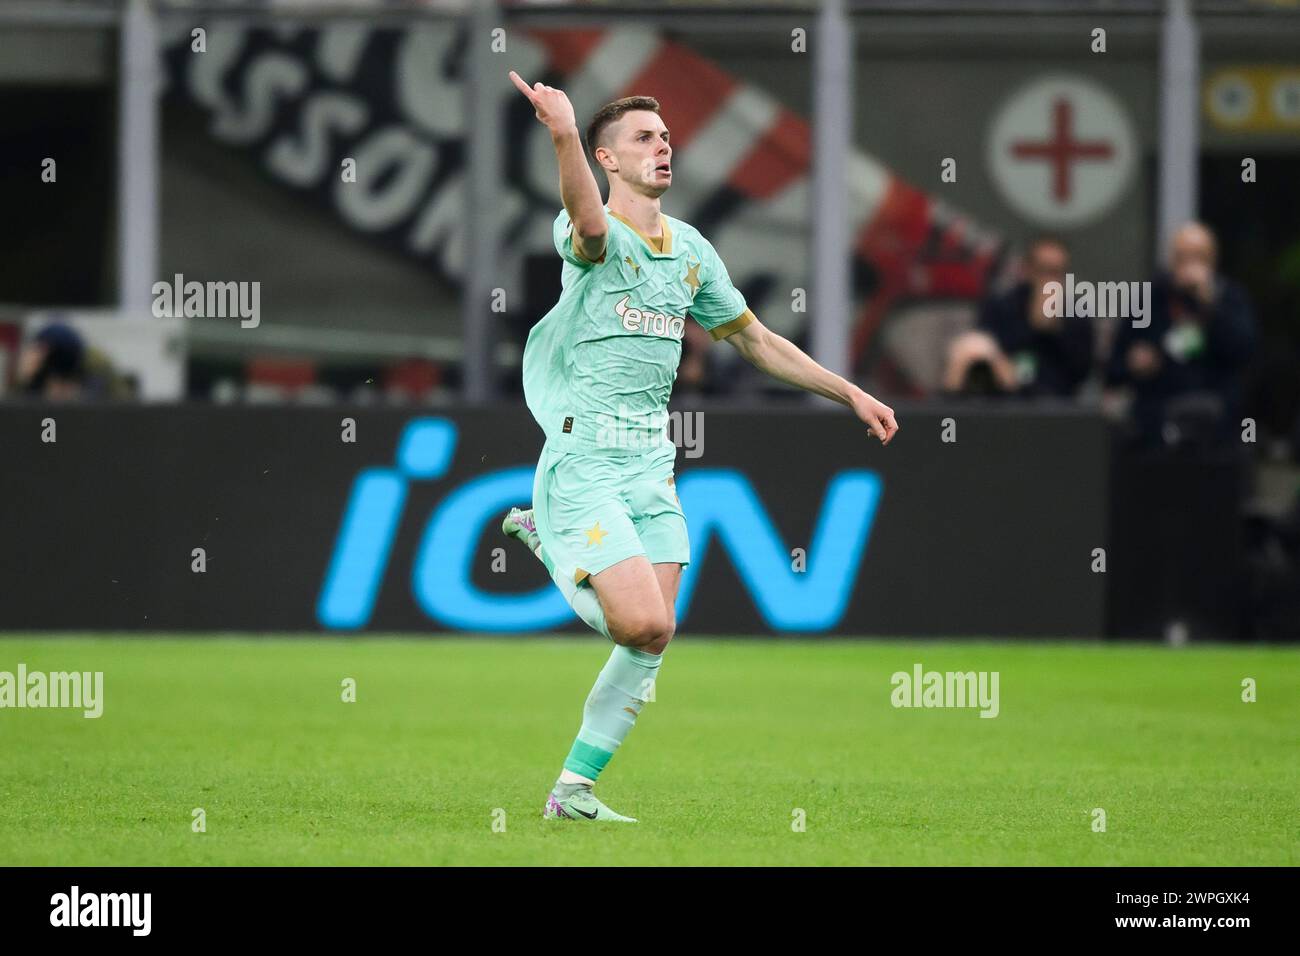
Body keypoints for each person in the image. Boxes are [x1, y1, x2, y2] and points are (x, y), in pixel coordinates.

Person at [500, 72, 899, 823]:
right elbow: (586, 225)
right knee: (642, 623)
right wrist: (560, 133)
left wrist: (849, 391)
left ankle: (572, 791)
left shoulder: (690, 250)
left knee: (655, 637)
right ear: (606, 159)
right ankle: (550, 545)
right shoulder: (590, 233)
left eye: (666, 137)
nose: (663, 147)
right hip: (587, 458)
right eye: (644, 139)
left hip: (652, 460)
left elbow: (754, 341)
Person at [1105, 222, 1256, 445]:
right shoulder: (1150, 299)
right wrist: (1134, 364)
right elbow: (1113, 369)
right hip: (1157, 423)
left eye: (1198, 257)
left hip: (1216, 424)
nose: (1189, 266)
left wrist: (1209, 303)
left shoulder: (1229, 298)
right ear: (1171, 259)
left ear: (1212, 261)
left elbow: (1245, 353)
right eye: (1182, 257)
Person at [942, 236, 1093, 398]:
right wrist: (1032, 327)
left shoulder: (1077, 314)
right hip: (1004, 401)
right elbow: (984, 348)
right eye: (1042, 270)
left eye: (1055, 272)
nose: (1049, 279)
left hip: (1058, 403)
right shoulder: (1002, 305)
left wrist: (1054, 328)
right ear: (1027, 270)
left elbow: (1082, 370)